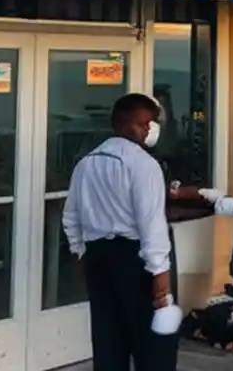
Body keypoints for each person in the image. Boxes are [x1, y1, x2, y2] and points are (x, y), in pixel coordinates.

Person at [62, 93, 181, 370]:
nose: (151, 130)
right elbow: (151, 225)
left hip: (98, 257)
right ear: (130, 126)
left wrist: (80, 254)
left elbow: (71, 218)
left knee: (108, 341)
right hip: (135, 258)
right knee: (154, 347)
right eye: (147, 123)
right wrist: (161, 280)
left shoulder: (86, 163)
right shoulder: (143, 165)